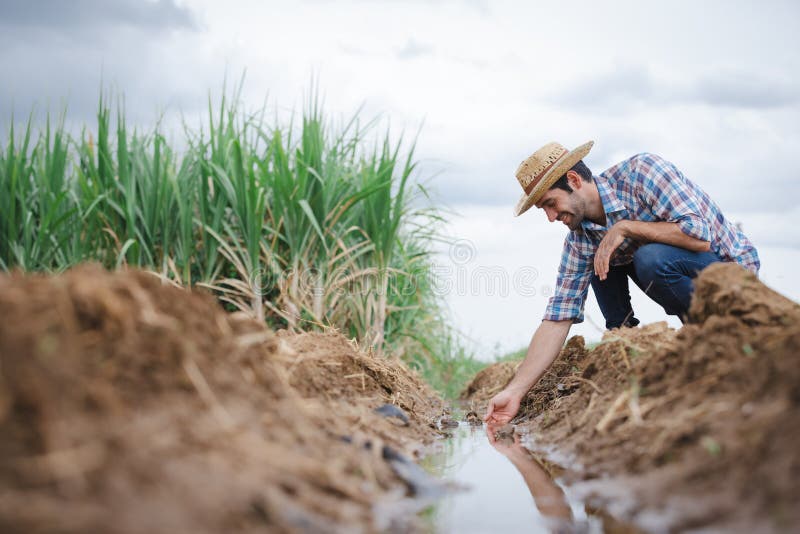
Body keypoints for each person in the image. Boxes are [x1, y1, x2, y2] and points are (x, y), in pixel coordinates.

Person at [484, 141, 759, 425]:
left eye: (551, 204)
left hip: (729, 273)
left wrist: (625, 227)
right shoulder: (579, 241)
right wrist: (514, 391)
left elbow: (700, 237)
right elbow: (558, 317)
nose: (551, 218)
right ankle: (627, 352)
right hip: (677, 275)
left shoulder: (643, 173)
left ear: (574, 180)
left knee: (649, 257)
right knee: (600, 253)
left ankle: (720, 336)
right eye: (544, 210)